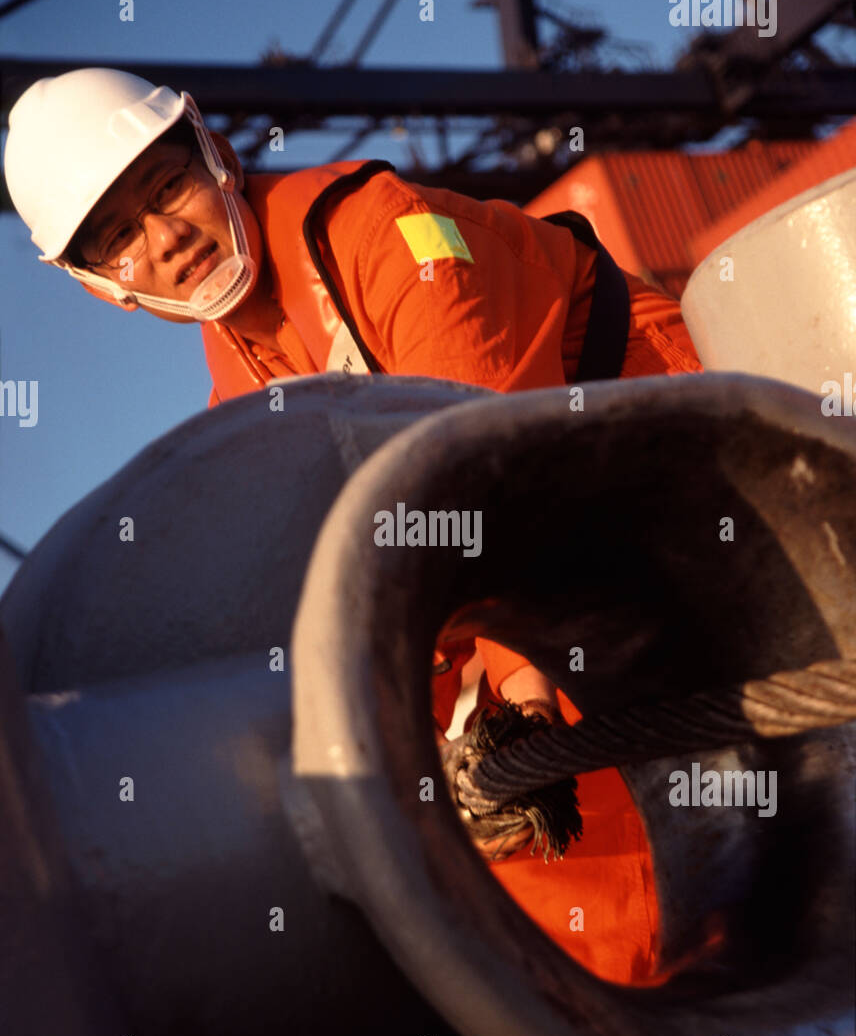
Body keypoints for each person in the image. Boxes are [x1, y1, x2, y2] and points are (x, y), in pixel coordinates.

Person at [5, 67, 703, 982]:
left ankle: (706, 1009)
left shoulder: (386, 235)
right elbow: (353, 598)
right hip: (556, 560)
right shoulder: (240, 395)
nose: (166, 239)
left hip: (670, 470)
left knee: (594, 860)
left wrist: (523, 706)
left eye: (167, 187)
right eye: (119, 239)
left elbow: (496, 481)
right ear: (102, 286)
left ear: (216, 153)